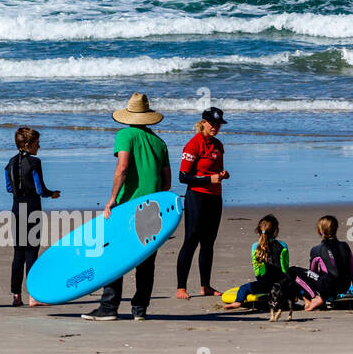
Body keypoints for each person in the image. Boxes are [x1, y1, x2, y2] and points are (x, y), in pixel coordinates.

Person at [81, 93, 172, 322]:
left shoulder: (125, 135)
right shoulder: (159, 143)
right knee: (146, 262)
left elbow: (122, 167)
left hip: (127, 207)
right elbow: (167, 182)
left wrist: (112, 199)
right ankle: (140, 310)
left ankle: (109, 308)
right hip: (153, 209)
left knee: (115, 256)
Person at [175, 107, 229, 299]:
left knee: (208, 242)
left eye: (218, 124)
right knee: (191, 240)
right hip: (196, 197)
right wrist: (208, 179)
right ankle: (181, 288)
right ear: (203, 123)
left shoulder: (218, 145)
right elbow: (183, 177)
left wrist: (222, 175)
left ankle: (205, 286)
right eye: (212, 124)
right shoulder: (193, 144)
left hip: (215, 197)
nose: (215, 127)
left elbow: (217, 170)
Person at [5, 127, 60, 307]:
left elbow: (8, 188)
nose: (39, 146)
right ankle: (33, 297)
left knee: (18, 253)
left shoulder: (10, 163)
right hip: (31, 209)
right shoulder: (35, 162)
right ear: (28, 145)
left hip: (16, 208)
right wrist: (52, 194)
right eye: (37, 143)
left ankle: (16, 296)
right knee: (31, 252)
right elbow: (40, 189)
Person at [282, 215, 353, 311]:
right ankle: (316, 298)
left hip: (328, 288)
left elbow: (311, 272)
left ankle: (314, 298)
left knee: (292, 271)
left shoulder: (317, 249)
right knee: (326, 275)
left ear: (320, 231)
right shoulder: (345, 246)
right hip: (344, 286)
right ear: (336, 229)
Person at [222, 214, 288, 309]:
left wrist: (260, 280)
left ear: (259, 230)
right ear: (276, 231)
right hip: (281, 284)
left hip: (264, 283)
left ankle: (238, 302)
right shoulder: (283, 245)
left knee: (244, 288)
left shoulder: (255, 246)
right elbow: (285, 267)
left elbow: (257, 270)